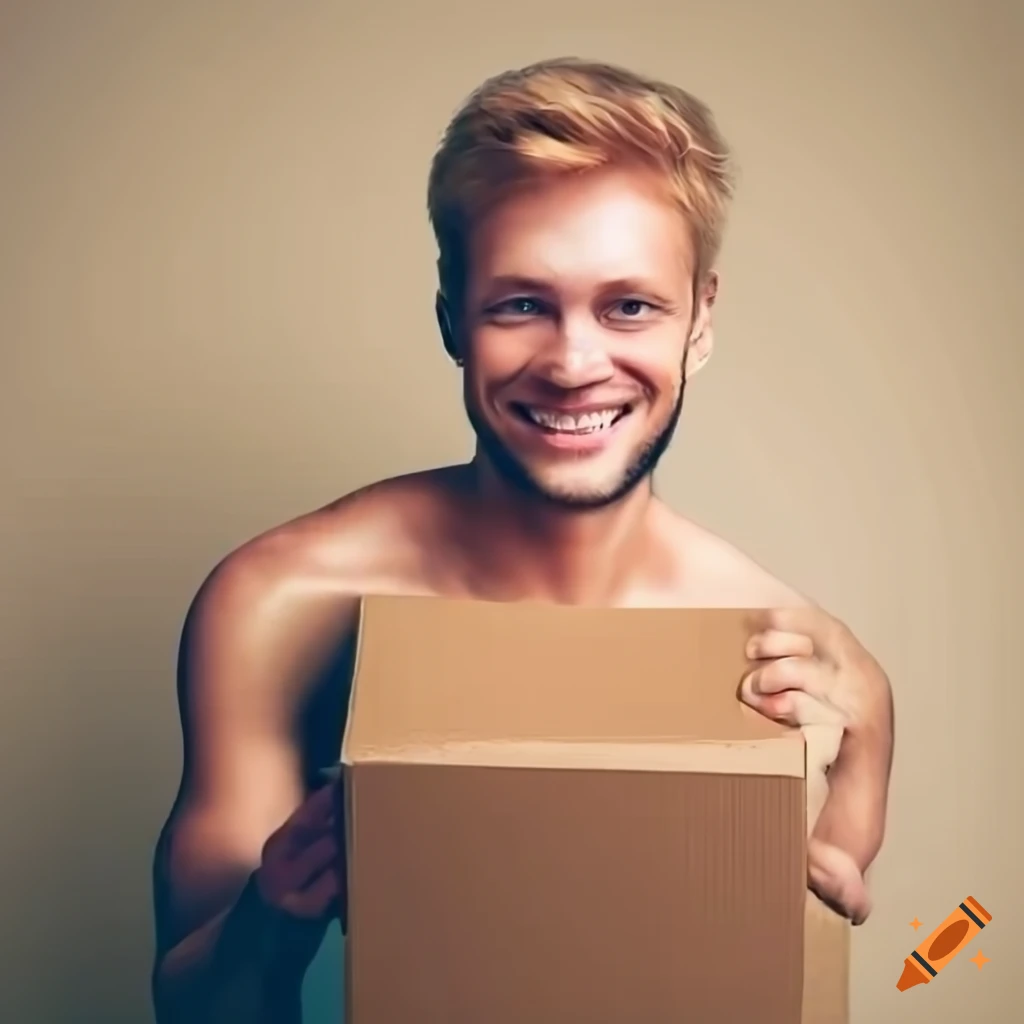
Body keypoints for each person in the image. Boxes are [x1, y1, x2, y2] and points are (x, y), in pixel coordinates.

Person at [150, 57, 894, 1023]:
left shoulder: (799, 657)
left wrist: (850, 782)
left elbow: (778, 980)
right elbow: (196, 1005)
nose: (575, 364)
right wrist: (275, 914)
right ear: (452, 315)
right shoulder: (282, 603)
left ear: (700, 320)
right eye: (520, 304)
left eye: (629, 305)